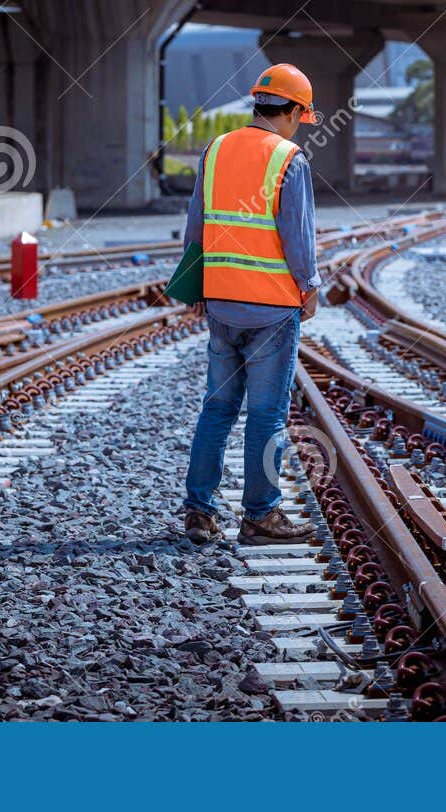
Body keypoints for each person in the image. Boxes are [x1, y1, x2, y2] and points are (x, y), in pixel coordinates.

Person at [181, 64, 323, 546]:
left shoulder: (215, 150)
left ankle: (199, 514)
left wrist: (195, 285)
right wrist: (310, 287)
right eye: (302, 115)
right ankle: (260, 516)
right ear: (294, 111)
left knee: (217, 409)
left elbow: (196, 225)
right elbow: (297, 236)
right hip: (272, 309)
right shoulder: (290, 158)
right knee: (266, 416)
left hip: (221, 304)